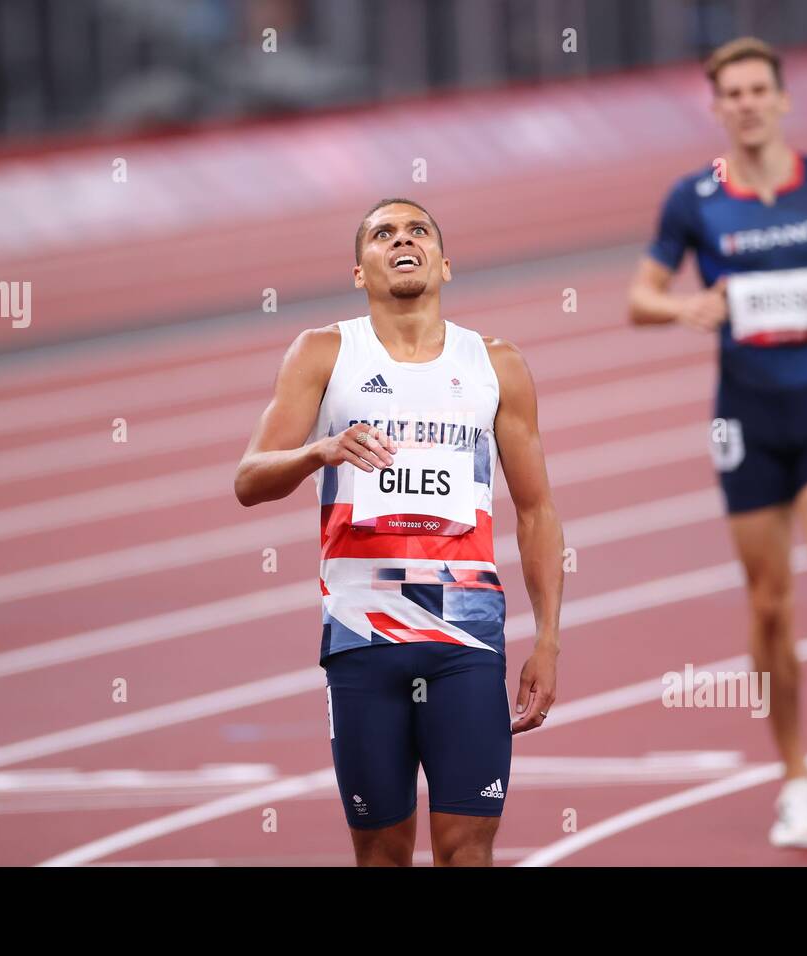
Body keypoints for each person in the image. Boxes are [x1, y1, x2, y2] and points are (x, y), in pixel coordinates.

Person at [627, 38, 807, 848]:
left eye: (759, 89)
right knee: (768, 606)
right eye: (733, 94)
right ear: (717, 109)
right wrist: (688, 308)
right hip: (745, 423)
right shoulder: (694, 199)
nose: (747, 103)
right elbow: (639, 295)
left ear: (783, 99)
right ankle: (797, 777)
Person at [235, 198, 563, 866]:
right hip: (363, 641)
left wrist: (549, 638)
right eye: (383, 234)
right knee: (382, 853)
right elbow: (249, 478)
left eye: (418, 231)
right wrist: (318, 453)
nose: (402, 240)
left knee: (465, 850)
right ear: (361, 271)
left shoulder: (495, 365)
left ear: (446, 263)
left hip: (465, 640)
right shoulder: (325, 353)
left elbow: (536, 511)